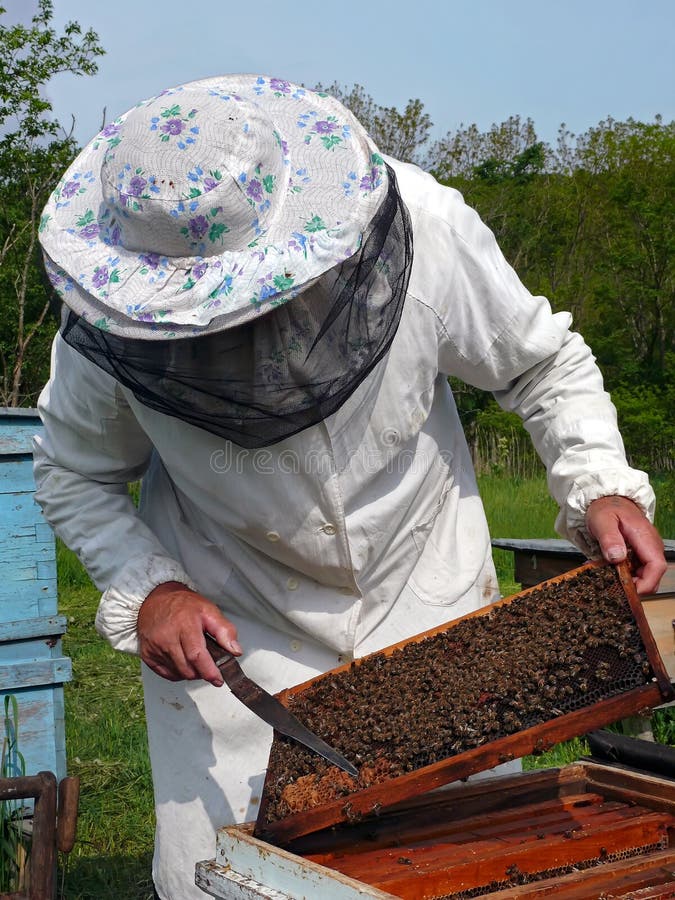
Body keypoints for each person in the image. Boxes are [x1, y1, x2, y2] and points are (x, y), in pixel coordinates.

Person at [33, 74, 666, 899]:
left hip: (431, 606)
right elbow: (71, 471)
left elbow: (541, 363)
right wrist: (150, 590)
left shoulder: (427, 227)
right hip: (237, 643)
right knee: (229, 878)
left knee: (468, 869)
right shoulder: (106, 325)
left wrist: (599, 483)